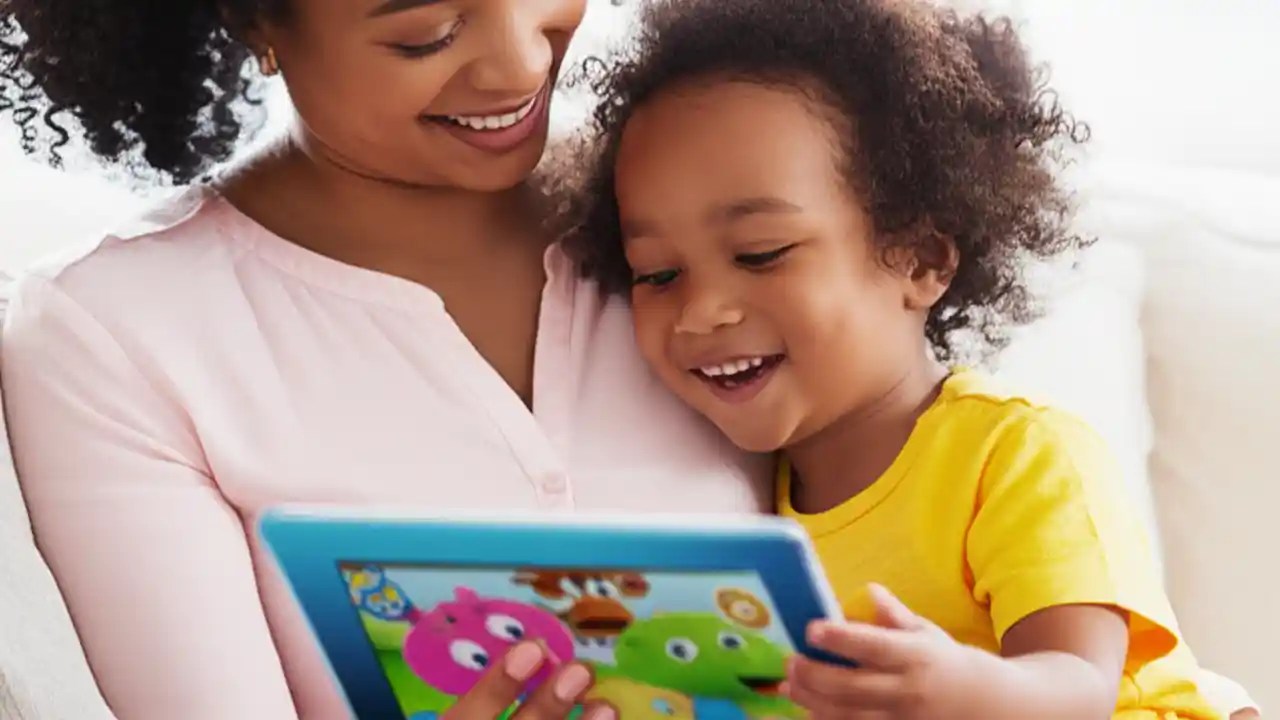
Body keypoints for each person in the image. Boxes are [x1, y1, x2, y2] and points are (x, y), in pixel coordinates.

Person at [0, 1, 771, 718]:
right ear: (253, 16)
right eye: (426, 35)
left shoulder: (746, 207)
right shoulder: (112, 330)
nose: (517, 64)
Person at [559, 0, 1260, 717]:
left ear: (920, 258)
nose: (703, 311)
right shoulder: (736, 507)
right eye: (657, 273)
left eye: (761, 254)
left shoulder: (1015, 454)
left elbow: (1079, 684)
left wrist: (955, 691)